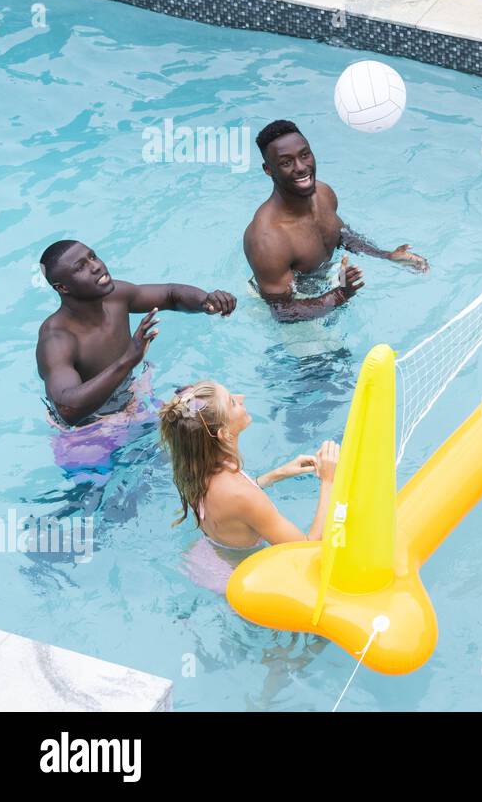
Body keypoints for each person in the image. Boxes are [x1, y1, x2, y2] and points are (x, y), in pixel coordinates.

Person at [35, 240, 236, 466]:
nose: (96, 266)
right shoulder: (57, 339)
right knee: (105, 499)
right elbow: (68, 410)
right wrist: (129, 359)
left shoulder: (116, 297)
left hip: (132, 402)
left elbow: (170, 295)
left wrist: (205, 301)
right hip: (88, 437)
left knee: (186, 459)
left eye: (93, 256)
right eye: (80, 267)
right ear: (62, 287)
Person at [159, 381, 338, 594]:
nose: (242, 397)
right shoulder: (241, 496)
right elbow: (307, 551)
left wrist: (277, 474)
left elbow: (232, 506)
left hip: (205, 557)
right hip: (241, 581)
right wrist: (329, 480)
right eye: (233, 402)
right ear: (224, 434)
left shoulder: (194, 467)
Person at [243, 120, 428, 322]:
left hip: (326, 286)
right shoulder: (267, 239)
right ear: (268, 169)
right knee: (336, 355)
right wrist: (339, 295)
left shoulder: (323, 194)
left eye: (305, 155)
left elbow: (340, 234)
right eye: (286, 162)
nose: (301, 167)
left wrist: (385, 255)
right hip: (289, 310)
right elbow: (283, 312)